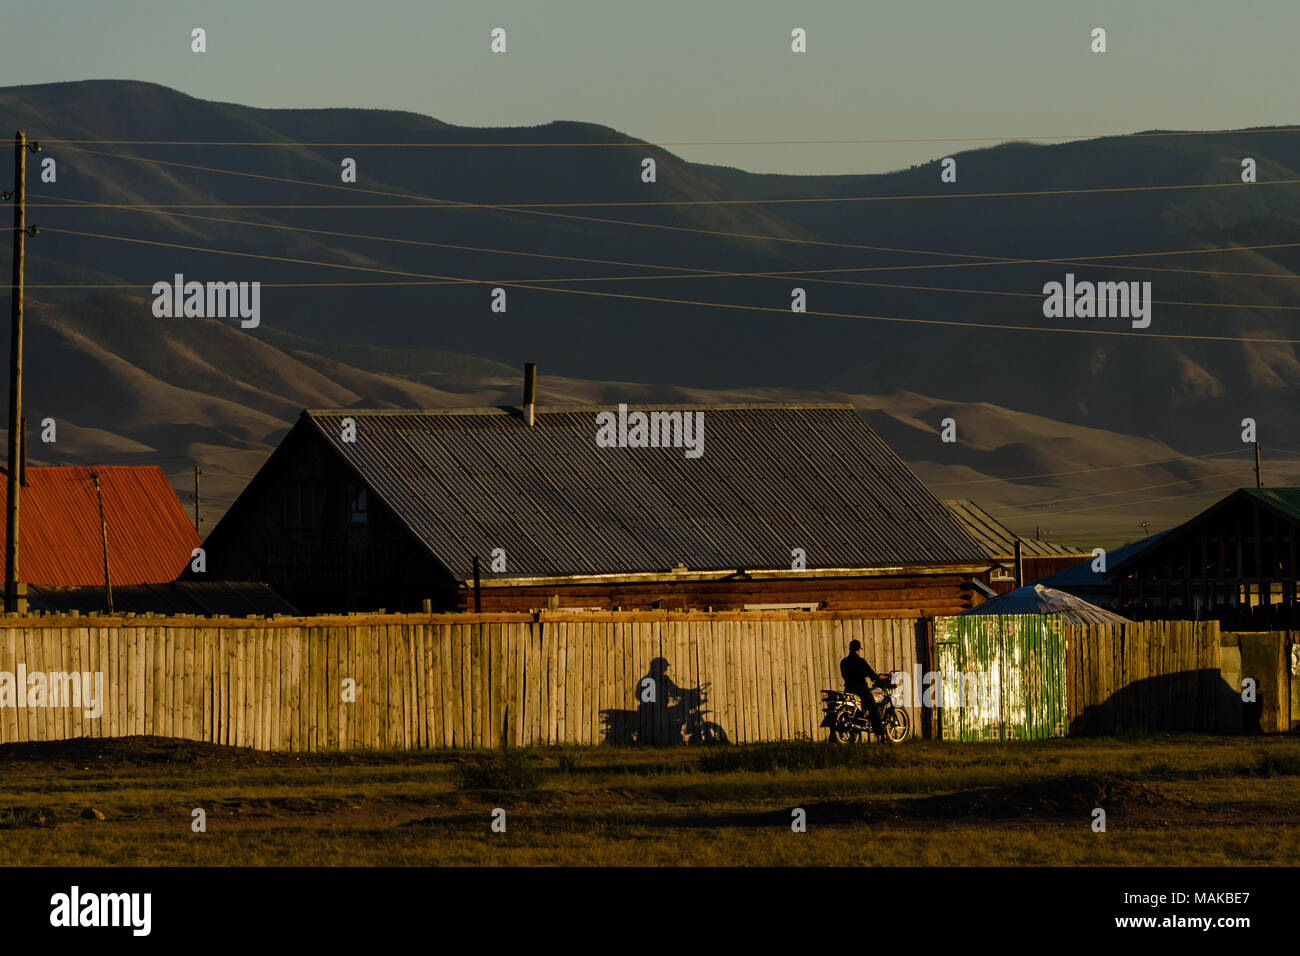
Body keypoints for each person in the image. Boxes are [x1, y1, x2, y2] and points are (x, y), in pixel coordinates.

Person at [839, 639, 886, 740]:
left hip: (848, 688)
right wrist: (879, 679)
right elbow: (871, 674)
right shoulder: (861, 661)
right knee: (874, 708)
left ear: (849, 648)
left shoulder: (843, 662)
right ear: (858, 650)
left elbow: (843, 675)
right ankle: (881, 734)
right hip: (861, 689)